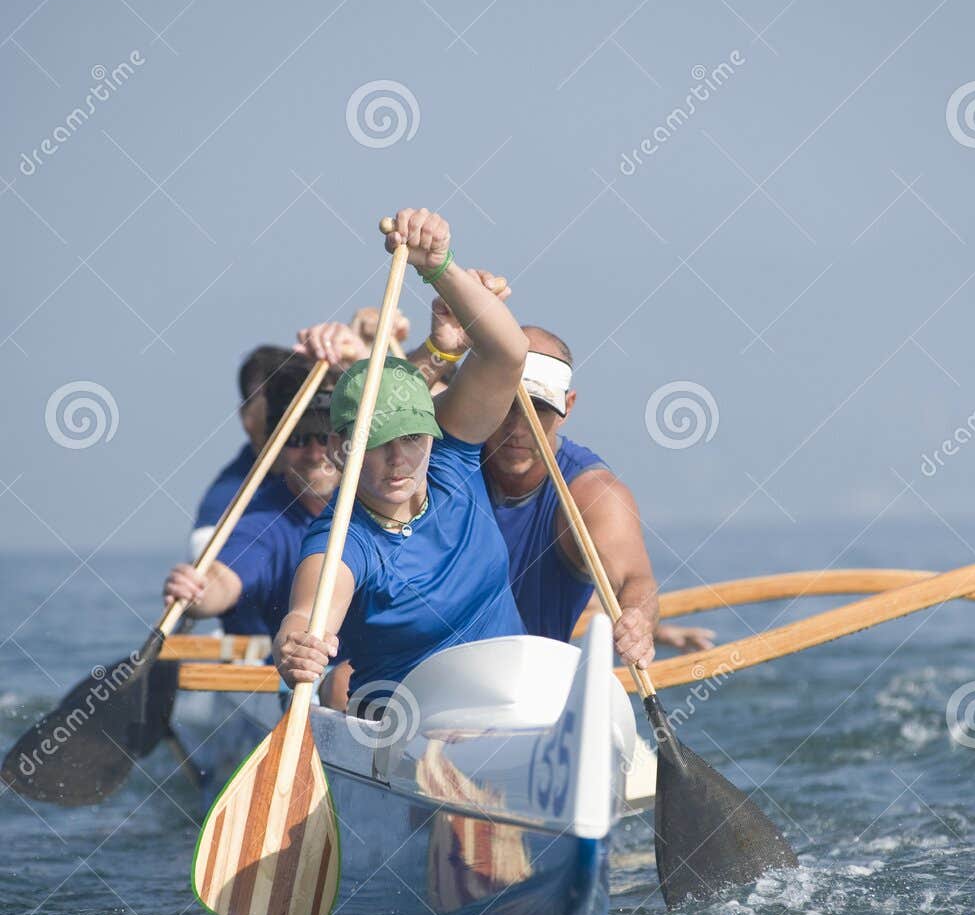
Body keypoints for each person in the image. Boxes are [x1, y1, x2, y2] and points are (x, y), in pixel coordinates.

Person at [275, 208, 647, 703]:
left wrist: (438, 265)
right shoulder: (345, 539)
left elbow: (507, 354)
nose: (398, 461)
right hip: (409, 730)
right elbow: (306, 615)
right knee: (336, 685)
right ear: (345, 450)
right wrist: (293, 647)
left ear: (433, 433)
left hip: (517, 706)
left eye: (411, 439)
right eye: (377, 444)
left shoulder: (454, 462)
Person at [295, 302, 714, 660]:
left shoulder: (589, 495)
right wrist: (404, 352)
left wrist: (640, 620)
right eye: (507, 407)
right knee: (342, 679)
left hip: (526, 692)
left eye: (539, 410)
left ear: (568, 406)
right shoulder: (448, 453)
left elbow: (634, 582)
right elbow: (386, 406)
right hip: (406, 684)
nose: (517, 429)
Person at [164, 363, 339, 636]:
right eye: (298, 439)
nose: (315, 453)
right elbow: (223, 580)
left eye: (324, 436)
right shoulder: (264, 524)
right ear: (275, 446)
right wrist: (196, 591)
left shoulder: (386, 493)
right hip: (304, 672)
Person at [189, 344, 297, 558]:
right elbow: (207, 577)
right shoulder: (224, 501)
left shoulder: (334, 470)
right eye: (271, 398)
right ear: (245, 415)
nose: (284, 411)